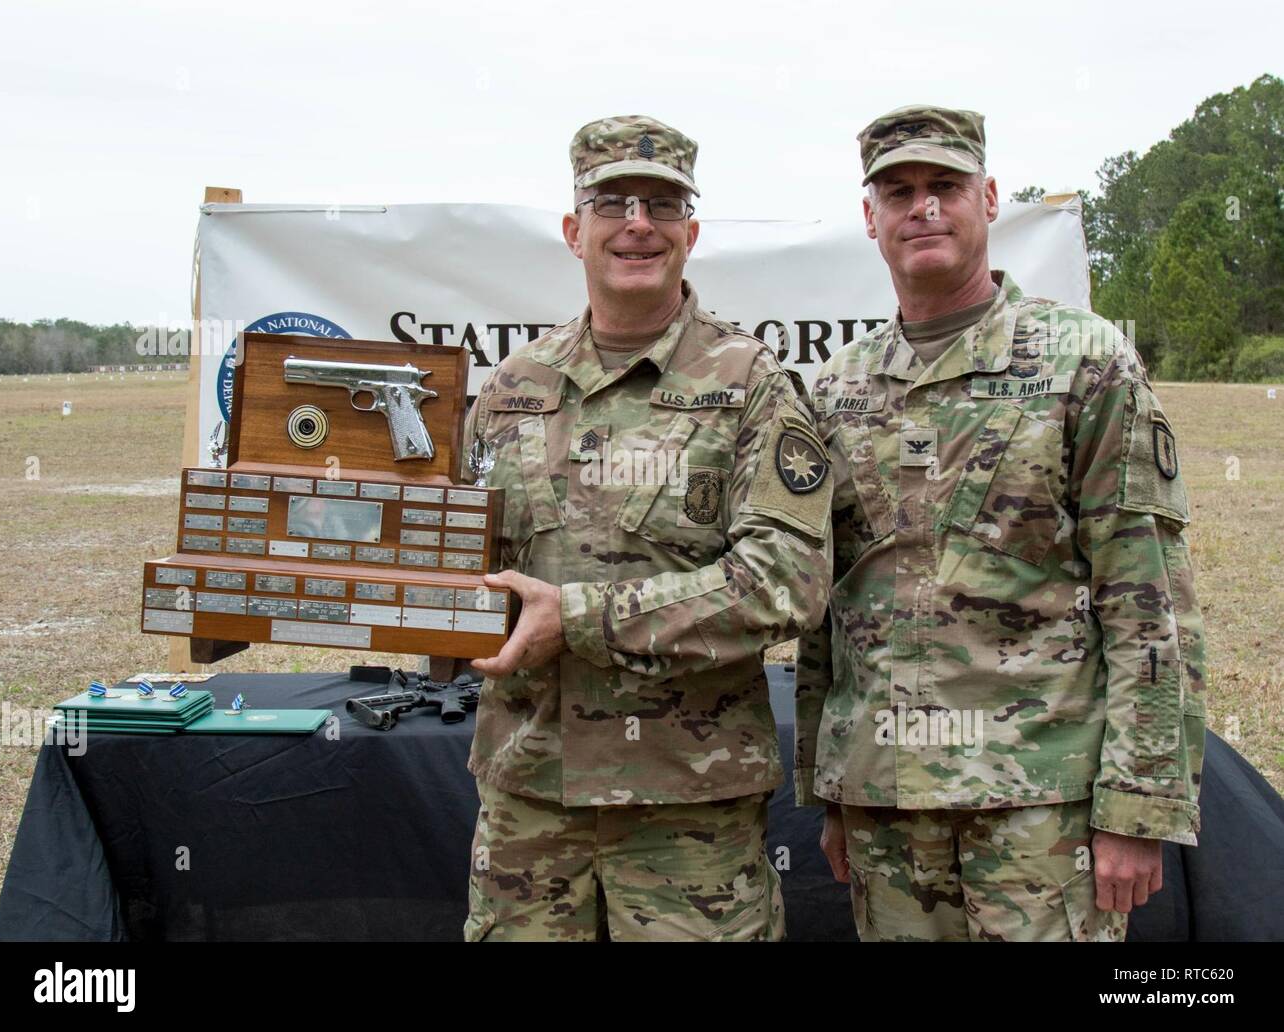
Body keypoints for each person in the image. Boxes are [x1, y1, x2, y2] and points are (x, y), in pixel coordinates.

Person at [795, 104, 1207, 941]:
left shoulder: (1083, 363)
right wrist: (827, 785)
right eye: (899, 191)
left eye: (945, 186)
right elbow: (825, 610)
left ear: (987, 198)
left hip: (1039, 808)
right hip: (887, 798)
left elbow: (1149, 601)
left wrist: (1138, 804)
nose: (925, 208)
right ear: (869, 217)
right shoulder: (837, 390)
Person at [461, 114, 833, 941]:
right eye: (613, 202)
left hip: (684, 812)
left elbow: (788, 582)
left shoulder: (750, 384)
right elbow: (456, 557)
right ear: (574, 230)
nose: (638, 223)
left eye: (662, 206)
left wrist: (582, 618)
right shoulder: (512, 388)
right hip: (530, 794)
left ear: (690, 233)